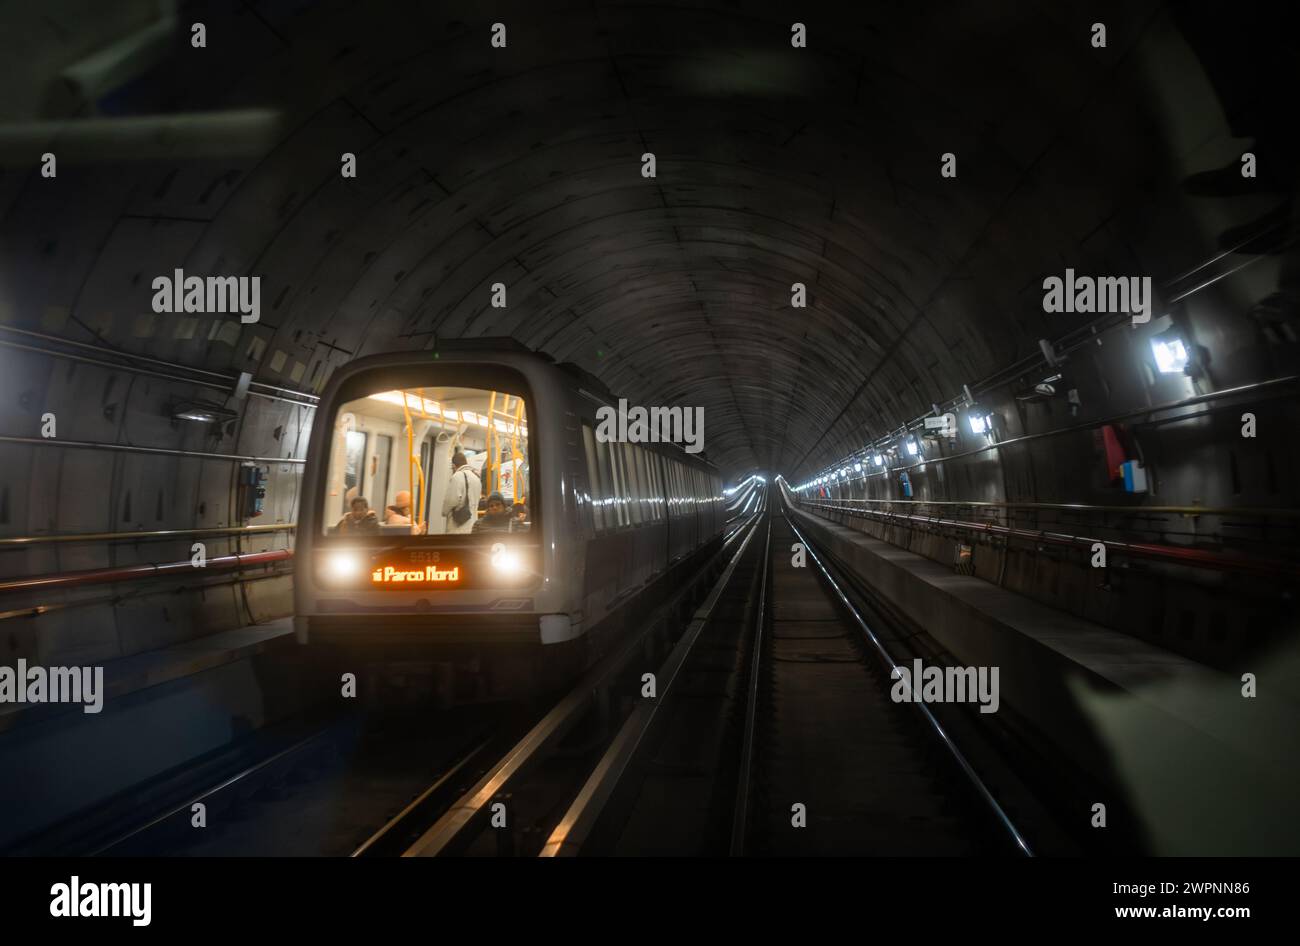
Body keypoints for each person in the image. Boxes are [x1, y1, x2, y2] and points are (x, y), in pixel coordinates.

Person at [441, 452, 481, 535]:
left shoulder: (458, 476)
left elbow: (451, 500)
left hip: (458, 526)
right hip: (473, 523)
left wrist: (444, 511)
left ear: (454, 465)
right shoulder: (476, 477)